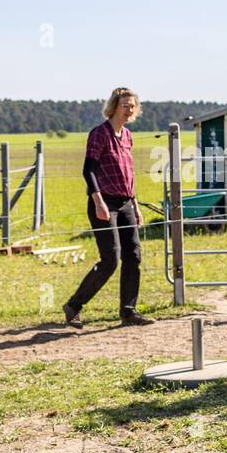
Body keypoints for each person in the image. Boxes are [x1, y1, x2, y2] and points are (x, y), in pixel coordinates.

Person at [63, 87, 154, 328]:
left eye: (133, 105)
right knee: (110, 259)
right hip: (103, 204)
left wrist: (135, 205)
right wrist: (98, 201)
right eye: (125, 105)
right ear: (113, 107)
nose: (130, 109)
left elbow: (128, 175)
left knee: (133, 256)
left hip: (125, 203)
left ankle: (128, 311)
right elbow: (88, 170)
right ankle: (74, 305)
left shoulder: (127, 136)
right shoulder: (99, 134)